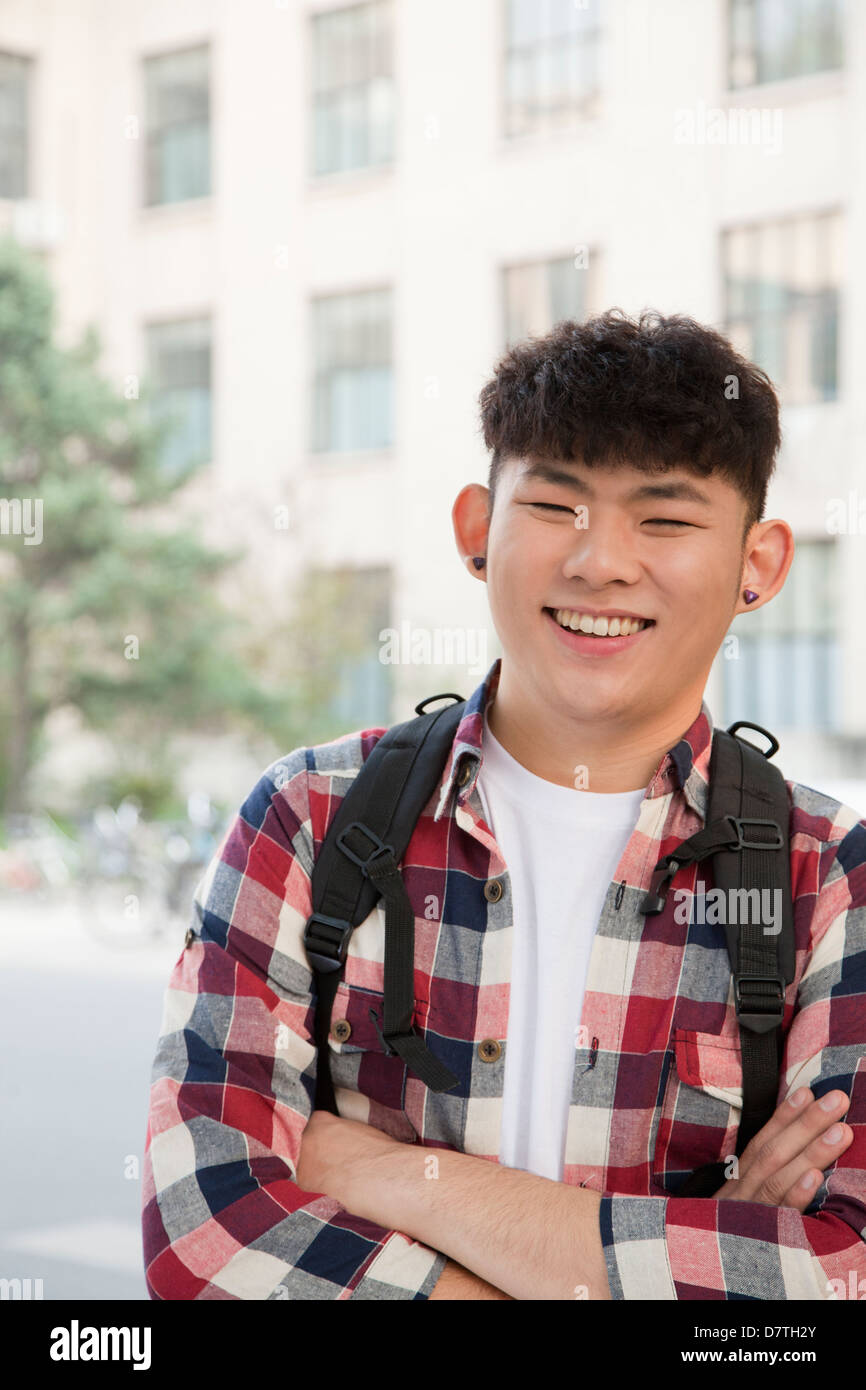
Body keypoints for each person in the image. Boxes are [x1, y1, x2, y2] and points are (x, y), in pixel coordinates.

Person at [141, 309, 865, 1300]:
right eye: (555, 506)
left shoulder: (826, 873)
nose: (599, 561)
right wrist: (714, 1243)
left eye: (665, 519)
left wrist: (369, 1169)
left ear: (758, 564)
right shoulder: (310, 818)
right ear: (476, 531)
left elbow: (846, 1270)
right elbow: (201, 1235)